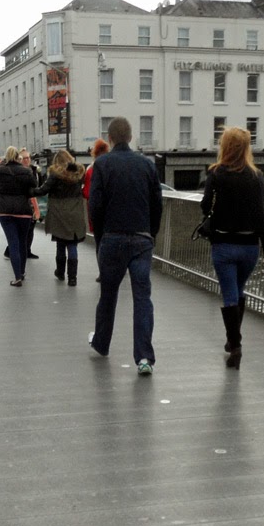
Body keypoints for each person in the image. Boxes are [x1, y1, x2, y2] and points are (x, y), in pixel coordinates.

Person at [87, 117, 163, 374]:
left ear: (110, 139)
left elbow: (95, 206)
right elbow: (157, 204)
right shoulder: (147, 165)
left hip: (112, 237)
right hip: (142, 239)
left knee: (108, 295)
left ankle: (101, 342)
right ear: (131, 137)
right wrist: (150, 233)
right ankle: (144, 358)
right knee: (143, 297)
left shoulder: (102, 164)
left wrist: (100, 239)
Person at [199, 126, 264, 369]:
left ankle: (235, 345)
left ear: (224, 146)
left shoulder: (216, 174)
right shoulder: (256, 176)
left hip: (223, 244)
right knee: (238, 291)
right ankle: (232, 339)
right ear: (246, 148)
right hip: (248, 247)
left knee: (230, 294)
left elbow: (205, 206)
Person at [33, 149, 86, 285]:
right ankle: (73, 278)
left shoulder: (55, 175)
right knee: (72, 245)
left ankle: (60, 272)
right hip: (75, 212)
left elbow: (42, 190)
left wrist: (28, 190)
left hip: (59, 213)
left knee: (61, 244)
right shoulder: (79, 174)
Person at [0, 146, 37, 286]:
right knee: (22, 242)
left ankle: (17, 277)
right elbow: (34, 186)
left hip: (5, 210)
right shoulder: (26, 171)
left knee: (13, 243)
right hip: (23, 210)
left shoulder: (0, 171)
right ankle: (22, 272)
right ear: (18, 157)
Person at [82, 138, 109, 283]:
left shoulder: (91, 170)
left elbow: (86, 192)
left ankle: (102, 272)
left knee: (100, 242)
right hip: (112, 212)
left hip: (96, 212)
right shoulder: (113, 167)